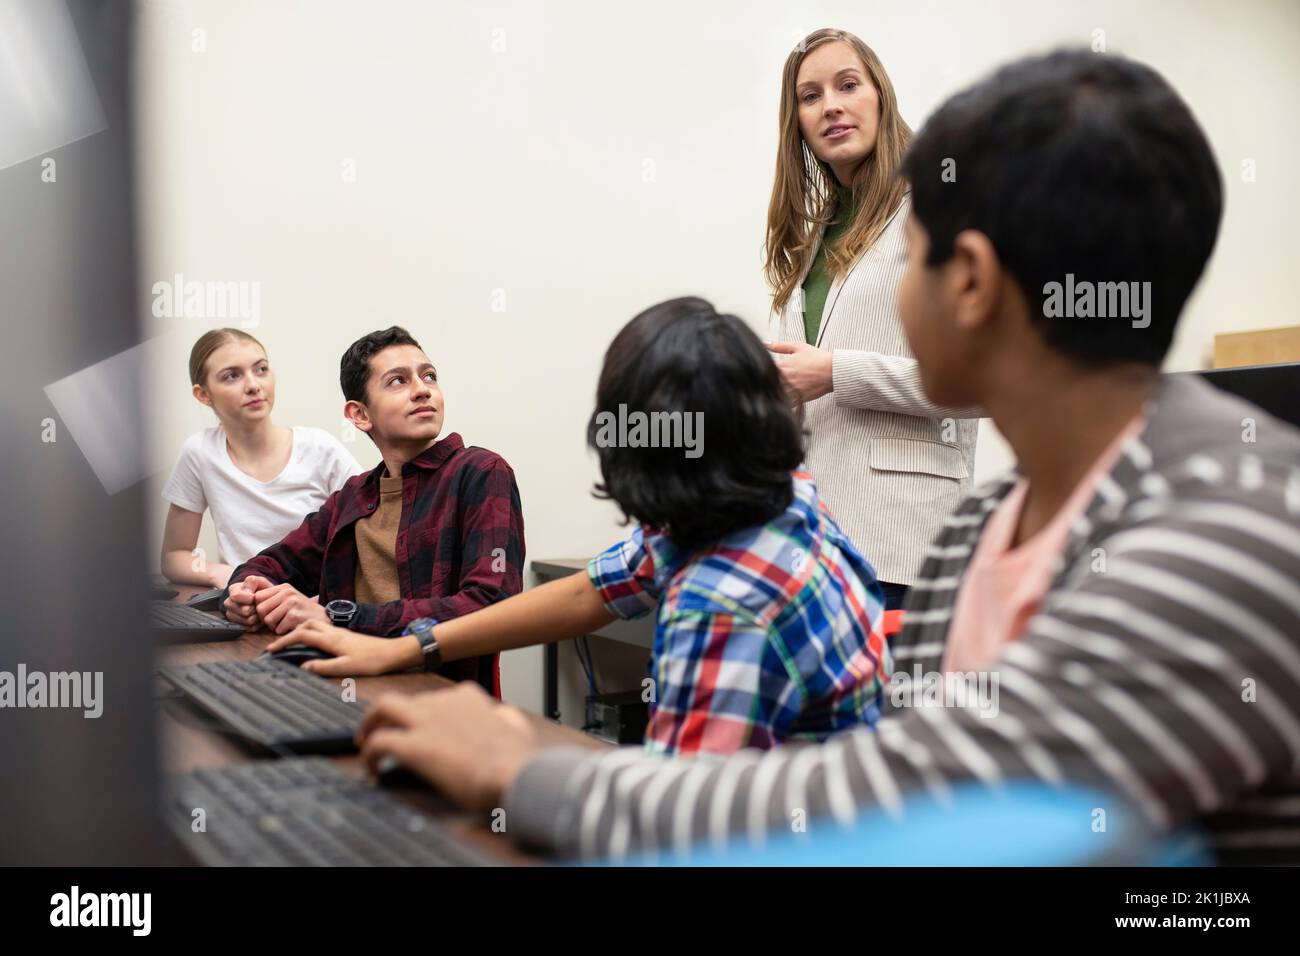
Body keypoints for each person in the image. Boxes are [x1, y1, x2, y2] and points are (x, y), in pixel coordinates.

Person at [351, 50, 1300, 864]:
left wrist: (526, 763)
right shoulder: (985, 523)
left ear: (966, 280)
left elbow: (919, 795)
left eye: (912, 249)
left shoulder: (1223, 529)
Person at [268, 299, 890, 756]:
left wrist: (510, 764)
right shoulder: (775, 502)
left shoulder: (724, 600)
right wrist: (404, 649)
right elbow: (591, 591)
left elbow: (674, 820)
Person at [764, 28, 983, 610]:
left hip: (906, 547)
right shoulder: (811, 241)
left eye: (848, 85)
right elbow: (808, 389)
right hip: (814, 549)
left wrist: (838, 372)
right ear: (799, 124)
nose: (830, 105)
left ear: (880, 96)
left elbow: (986, 383)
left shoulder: (936, 208)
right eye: (810, 96)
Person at [221, 326, 525, 694]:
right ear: (360, 415)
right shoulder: (354, 496)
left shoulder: (480, 472)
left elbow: (492, 604)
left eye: (429, 376)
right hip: (343, 686)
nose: (423, 389)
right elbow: (271, 564)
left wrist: (338, 617)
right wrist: (246, 594)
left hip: (439, 697)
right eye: (398, 381)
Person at [160, 328, 363, 588]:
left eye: (261, 369)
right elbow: (174, 556)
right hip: (244, 603)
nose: (254, 385)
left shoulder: (320, 448)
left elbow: (373, 532)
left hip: (313, 603)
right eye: (232, 376)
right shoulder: (200, 453)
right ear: (203, 395)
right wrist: (229, 575)